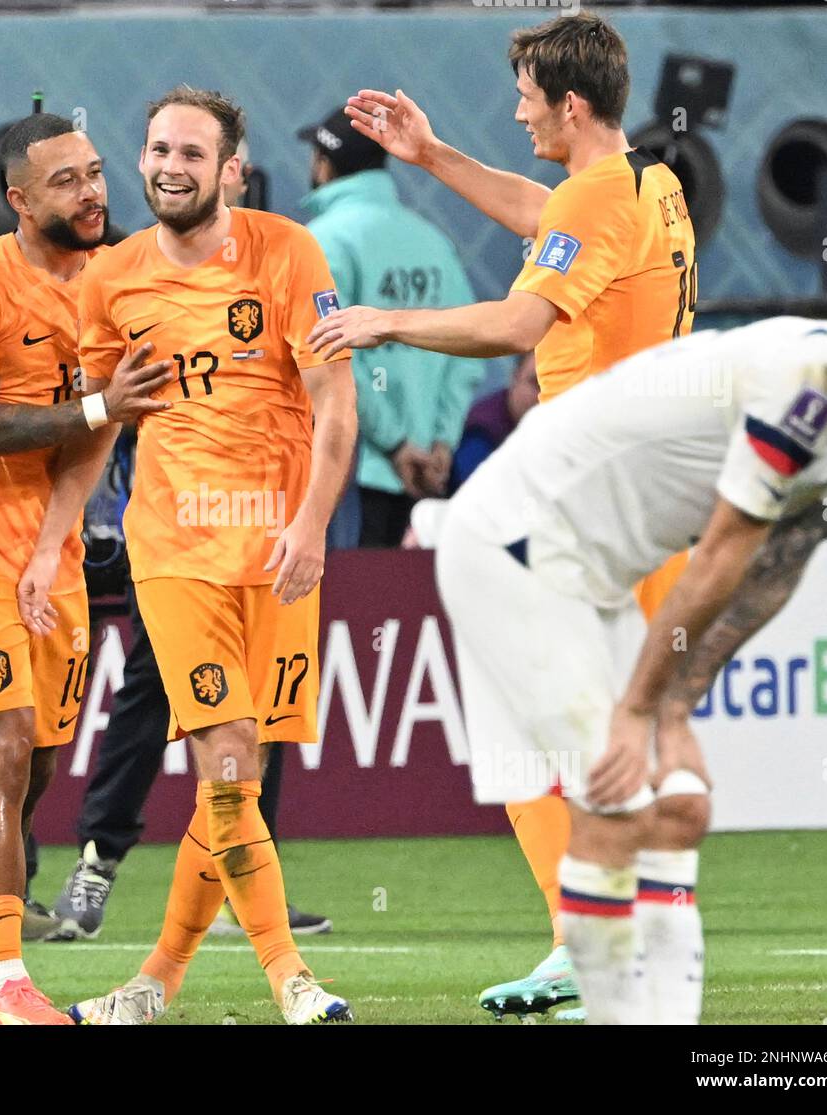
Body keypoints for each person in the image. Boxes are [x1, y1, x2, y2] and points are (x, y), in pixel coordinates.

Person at [308, 12, 697, 1016]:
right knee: (582, 721)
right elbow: (546, 212)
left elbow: (519, 322)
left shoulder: (606, 195)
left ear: (569, 103)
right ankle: (613, 938)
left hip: (594, 493)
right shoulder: (648, 182)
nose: (516, 110)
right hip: (645, 488)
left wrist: (385, 320)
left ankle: (594, 939)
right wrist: (431, 155)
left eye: (525, 96)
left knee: (522, 716)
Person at [420, 317, 827, 1024]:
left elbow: (770, 575)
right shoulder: (809, 383)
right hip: (511, 547)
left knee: (680, 804)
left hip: (592, 575)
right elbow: (725, 550)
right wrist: (642, 709)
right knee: (619, 798)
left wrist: (674, 707)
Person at [67, 86, 358, 1026]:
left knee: (236, 778)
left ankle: (152, 982)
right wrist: (54, 538)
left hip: (277, 547)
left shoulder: (287, 252)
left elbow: (335, 403)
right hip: (175, 548)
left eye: (193, 153)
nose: (169, 167)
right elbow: (94, 421)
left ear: (232, 167)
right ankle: (292, 981)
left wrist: (313, 521)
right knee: (228, 759)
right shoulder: (111, 278)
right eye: (157, 148)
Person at [0, 113, 173, 1025]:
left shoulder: (121, 276)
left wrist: (56, 542)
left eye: (96, 174)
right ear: (18, 199)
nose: (92, 192)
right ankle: (3, 984)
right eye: (66, 181)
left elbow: (100, 435)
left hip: (50, 546)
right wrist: (100, 401)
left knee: (39, 768)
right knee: (2, 752)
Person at [298, 105, 483, 548]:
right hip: (431, 478)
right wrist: (440, 443)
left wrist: (396, 445)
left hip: (354, 475)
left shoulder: (322, 241)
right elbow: (467, 352)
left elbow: (330, 357)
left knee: (343, 610)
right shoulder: (433, 243)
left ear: (323, 165)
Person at [446, 351, 539, 495]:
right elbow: (476, 493)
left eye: (551, 386)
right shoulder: (483, 429)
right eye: (535, 384)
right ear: (514, 377)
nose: (541, 395)